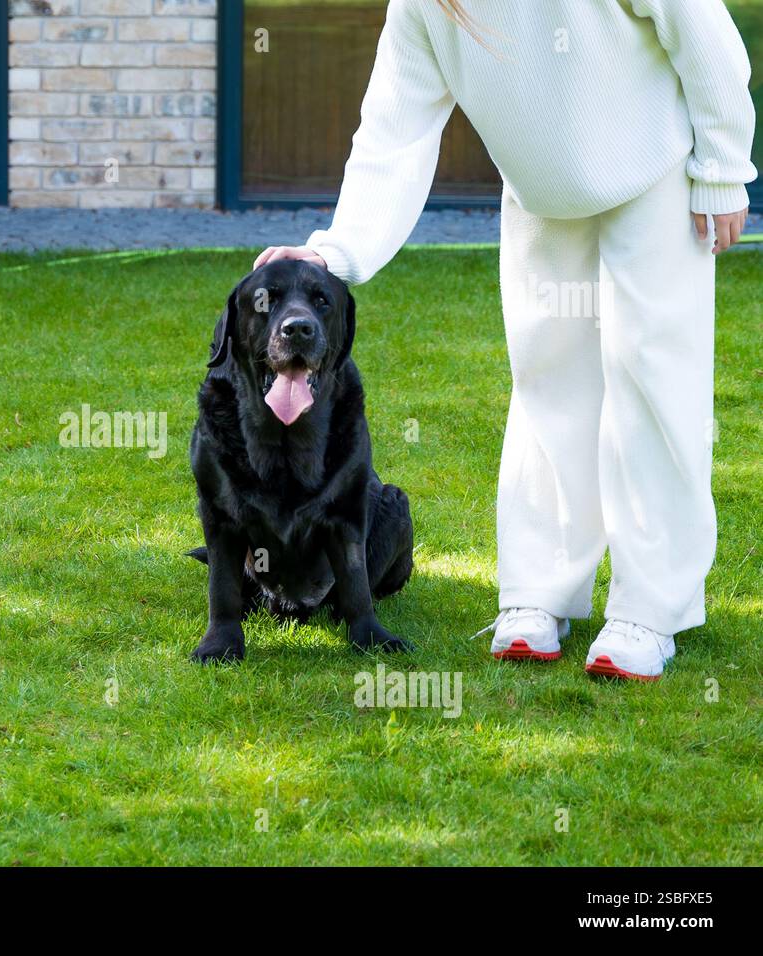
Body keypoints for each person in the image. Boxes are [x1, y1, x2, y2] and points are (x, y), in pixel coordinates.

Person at [255, 0, 757, 680]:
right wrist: (333, 254)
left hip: (656, 175)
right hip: (542, 195)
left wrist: (723, 169)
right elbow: (394, 134)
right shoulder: (424, 7)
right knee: (546, 383)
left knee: (654, 381)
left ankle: (650, 611)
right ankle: (538, 595)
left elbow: (706, 37)